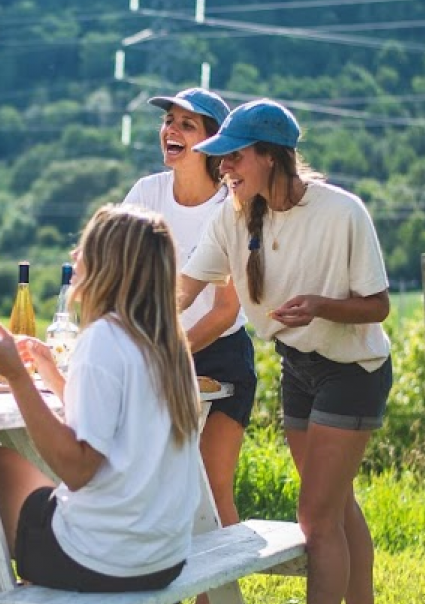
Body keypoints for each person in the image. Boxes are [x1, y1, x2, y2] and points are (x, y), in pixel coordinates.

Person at [180, 99, 393, 604]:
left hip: (352, 371)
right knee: (336, 509)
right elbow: (182, 290)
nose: (223, 168)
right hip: (297, 368)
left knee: (315, 519)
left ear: (270, 156)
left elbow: (379, 305)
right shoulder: (231, 219)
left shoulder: (342, 212)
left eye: (234, 157)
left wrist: (320, 306)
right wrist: (136, 329)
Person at [0, 204, 204, 596]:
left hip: (101, 556)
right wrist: (51, 373)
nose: (74, 257)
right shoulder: (168, 345)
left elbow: (78, 469)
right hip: (162, 557)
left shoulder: (104, 339)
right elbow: (112, 424)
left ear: (109, 266)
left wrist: (18, 376)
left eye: (84, 249)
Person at [123, 87, 258, 532]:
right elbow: (116, 268)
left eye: (187, 124)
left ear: (212, 143)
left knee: (211, 492)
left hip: (221, 357)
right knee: (145, 486)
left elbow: (223, 311)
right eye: (169, 121)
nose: (171, 130)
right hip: (157, 351)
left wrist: (168, 352)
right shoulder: (146, 192)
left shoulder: (234, 207)